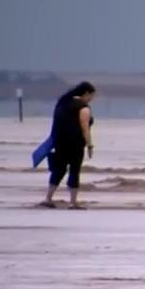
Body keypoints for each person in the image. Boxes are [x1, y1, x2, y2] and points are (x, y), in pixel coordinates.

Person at [39, 81, 96, 209]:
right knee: (74, 171)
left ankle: (48, 198)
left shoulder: (62, 103)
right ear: (86, 93)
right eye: (92, 95)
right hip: (75, 144)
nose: (92, 99)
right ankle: (73, 202)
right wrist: (90, 145)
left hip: (60, 143)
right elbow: (85, 127)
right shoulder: (83, 107)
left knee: (58, 171)